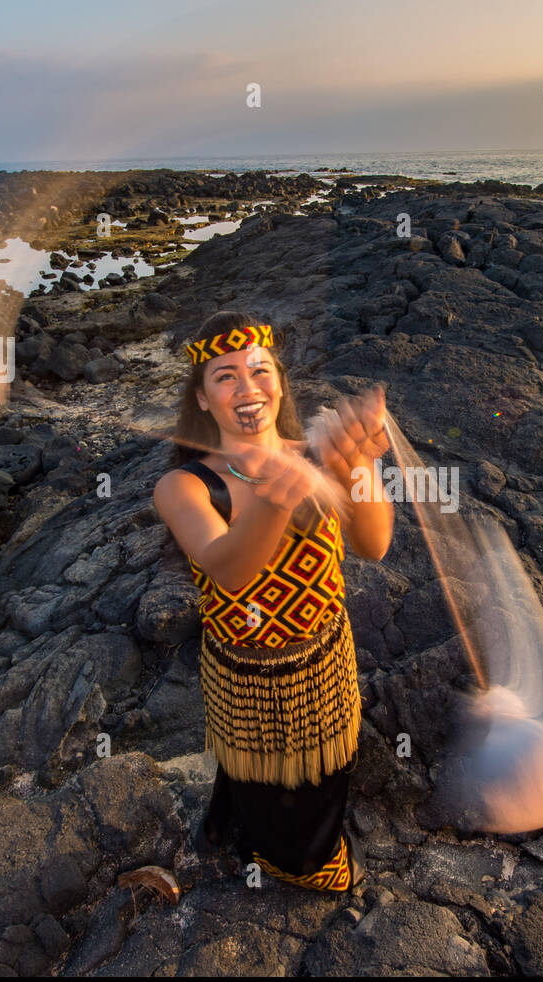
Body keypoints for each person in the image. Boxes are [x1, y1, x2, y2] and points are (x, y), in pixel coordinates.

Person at [153, 309, 393, 892]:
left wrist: (359, 465)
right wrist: (279, 494)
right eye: (225, 377)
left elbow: (374, 543)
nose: (247, 388)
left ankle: (240, 831)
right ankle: (285, 857)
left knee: (321, 776)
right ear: (203, 400)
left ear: (280, 381)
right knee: (277, 807)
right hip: (247, 686)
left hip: (324, 668)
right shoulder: (185, 486)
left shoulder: (312, 456)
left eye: (259, 370)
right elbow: (229, 569)